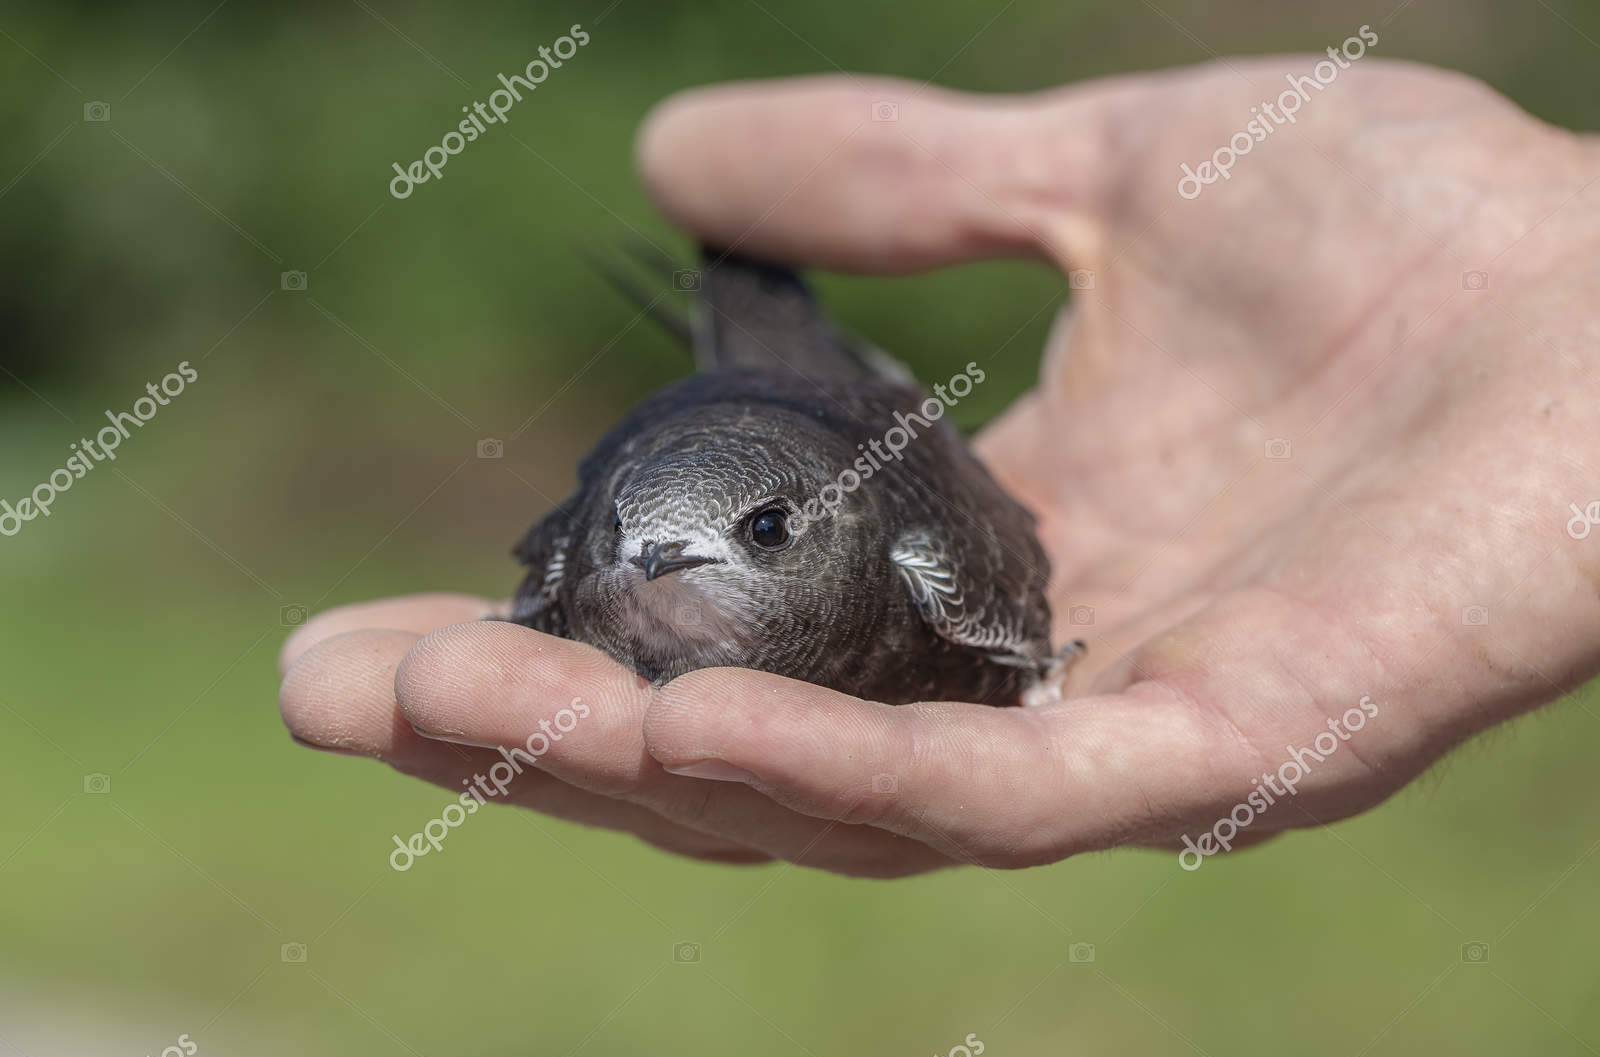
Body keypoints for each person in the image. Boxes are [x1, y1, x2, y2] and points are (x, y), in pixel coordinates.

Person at [279, 59, 1600, 877]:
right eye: (631, 544)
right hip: (749, 410)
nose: (652, 568)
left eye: (744, 539)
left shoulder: (924, 563)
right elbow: (621, 546)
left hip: (841, 407)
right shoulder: (597, 562)